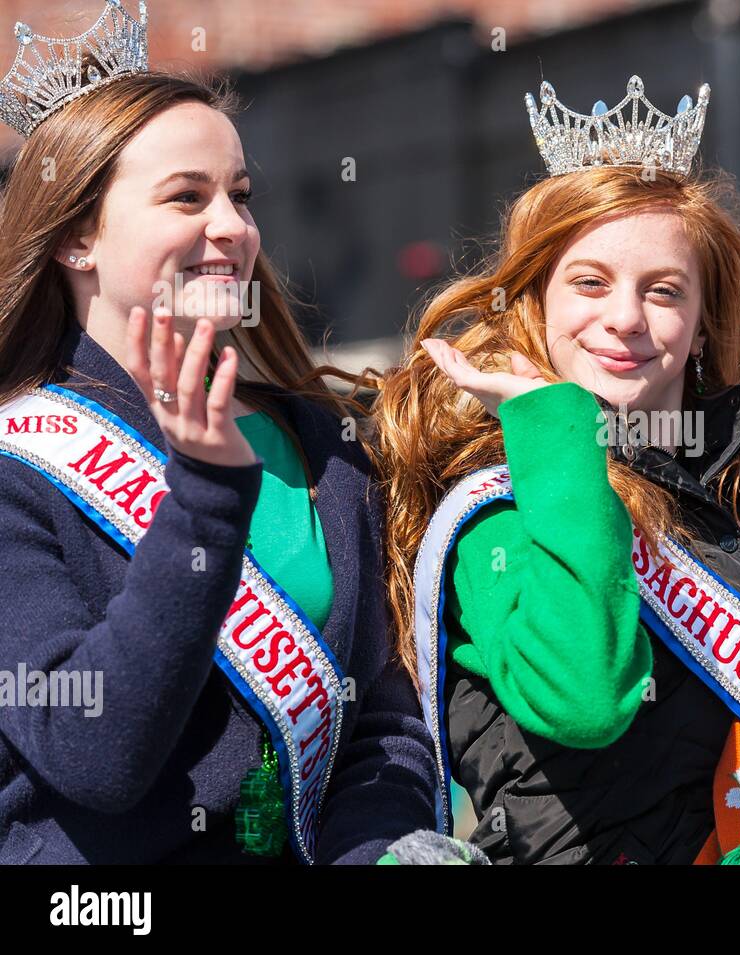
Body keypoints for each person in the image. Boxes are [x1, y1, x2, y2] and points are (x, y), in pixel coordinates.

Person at [0, 1, 435, 864]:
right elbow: (96, 752)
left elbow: (382, 724)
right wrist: (204, 500)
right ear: (77, 237)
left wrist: (379, 849)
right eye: (186, 198)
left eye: (239, 195)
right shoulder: (20, 467)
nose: (232, 229)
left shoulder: (324, 446)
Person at [374, 75, 740, 864]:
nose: (625, 317)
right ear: (534, 301)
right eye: (589, 283)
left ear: (701, 326)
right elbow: (585, 699)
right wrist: (559, 430)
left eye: (663, 291)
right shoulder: (496, 512)